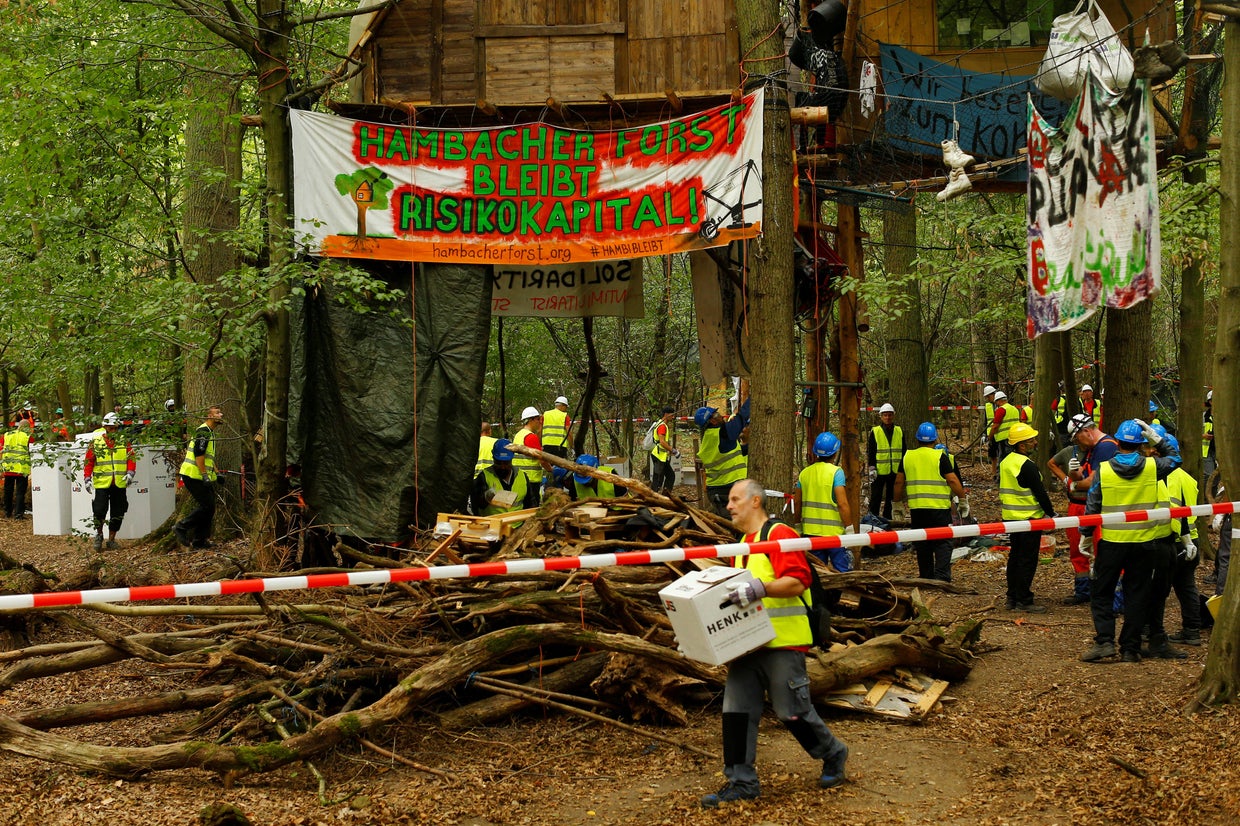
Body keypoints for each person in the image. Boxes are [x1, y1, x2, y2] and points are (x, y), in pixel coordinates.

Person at [700, 478, 849, 807]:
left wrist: (761, 590)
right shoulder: (741, 545)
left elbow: (798, 581)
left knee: (792, 712)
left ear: (755, 501)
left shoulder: (779, 534)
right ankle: (741, 782)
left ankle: (833, 753)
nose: (729, 505)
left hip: (783, 643)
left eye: (735, 499)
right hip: (747, 646)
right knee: (736, 713)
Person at [1079, 419, 1181, 663]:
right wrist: (1158, 439)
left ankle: (1104, 642)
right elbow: (1176, 459)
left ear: (1118, 441)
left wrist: (1085, 533)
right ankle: (1131, 648)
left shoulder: (1104, 470)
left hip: (1113, 542)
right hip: (1144, 543)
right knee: (1137, 594)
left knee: (1102, 592)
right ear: (1141, 443)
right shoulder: (1152, 466)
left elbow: (1093, 503)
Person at [894, 422, 966, 581]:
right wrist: (962, 499)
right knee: (943, 542)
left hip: (917, 509)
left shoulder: (907, 456)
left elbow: (899, 482)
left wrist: (896, 503)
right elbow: (953, 480)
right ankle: (941, 577)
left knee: (922, 542)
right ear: (934, 439)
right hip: (938, 508)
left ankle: (926, 576)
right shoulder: (939, 456)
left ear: (917, 439)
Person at [999, 422, 1055, 613]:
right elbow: (1040, 494)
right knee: (1027, 560)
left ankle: (1012, 597)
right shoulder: (1026, 465)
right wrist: (1053, 514)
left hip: (1011, 518)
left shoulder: (1006, 461)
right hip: (1029, 519)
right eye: (1031, 440)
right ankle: (1024, 599)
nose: (1035, 443)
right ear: (1021, 445)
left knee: (1015, 557)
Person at [1160, 434, 1204, 648]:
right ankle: (1192, 631)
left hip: (1176, 540)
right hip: (1192, 540)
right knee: (1187, 587)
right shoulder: (1187, 477)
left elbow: (1174, 514)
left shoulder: (1166, 477)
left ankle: (1152, 633)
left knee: (1159, 589)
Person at [1047, 415, 1093, 605]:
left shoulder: (1100, 451)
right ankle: (1083, 591)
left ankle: (1107, 590)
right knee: (1077, 548)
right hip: (1076, 506)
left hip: (1097, 507)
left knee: (1101, 549)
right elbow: (1051, 463)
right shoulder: (1068, 452)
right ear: (1075, 436)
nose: (1088, 434)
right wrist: (1065, 480)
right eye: (1083, 431)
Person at [794, 431, 853, 572]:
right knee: (843, 573)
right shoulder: (836, 472)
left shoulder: (804, 474)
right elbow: (842, 504)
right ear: (835, 452)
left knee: (818, 573)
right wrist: (850, 529)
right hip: (834, 535)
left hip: (811, 534)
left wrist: (797, 525)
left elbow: (797, 503)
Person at [83, 412, 136, 552]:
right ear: (105, 427)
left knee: (118, 511)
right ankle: (99, 535)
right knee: (99, 510)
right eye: (110, 427)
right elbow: (89, 462)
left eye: (115, 428)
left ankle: (111, 540)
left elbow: (131, 458)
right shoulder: (96, 442)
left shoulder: (124, 441)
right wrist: (87, 478)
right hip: (102, 483)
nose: (113, 430)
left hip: (119, 483)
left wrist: (130, 473)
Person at [174, 405, 223, 549]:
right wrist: (205, 476)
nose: (221, 415)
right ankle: (181, 527)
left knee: (209, 507)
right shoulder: (203, 432)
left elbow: (209, 457)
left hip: (198, 475)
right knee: (208, 506)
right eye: (217, 412)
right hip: (192, 475)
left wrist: (217, 473)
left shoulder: (210, 432)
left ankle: (200, 540)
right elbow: (199, 455)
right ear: (209, 415)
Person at [694, 399, 750, 517]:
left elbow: (734, 452)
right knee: (737, 526)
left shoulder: (709, 437)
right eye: (717, 415)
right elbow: (742, 418)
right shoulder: (723, 433)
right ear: (713, 421)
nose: (721, 416)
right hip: (728, 489)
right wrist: (753, 398)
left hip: (716, 490)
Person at [471, 438, 539, 516]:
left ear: (511, 459)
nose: (503, 467)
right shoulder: (483, 477)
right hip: (492, 526)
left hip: (518, 525)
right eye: (499, 463)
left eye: (506, 463)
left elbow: (531, 504)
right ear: (493, 458)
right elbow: (476, 506)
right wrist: (487, 497)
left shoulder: (522, 476)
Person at [866, 403, 903, 522]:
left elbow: (904, 450)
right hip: (879, 470)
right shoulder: (875, 431)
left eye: (890, 415)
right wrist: (872, 468)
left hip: (894, 470)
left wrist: (902, 468)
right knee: (876, 496)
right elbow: (871, 451)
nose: (888, 417)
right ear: (881, 416)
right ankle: (873, 518)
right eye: (885, 415)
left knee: (890, 497)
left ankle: (888, 518)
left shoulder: (899, 431)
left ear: (893, 416)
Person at [2, 415, 35, 519]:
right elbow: (32, 452)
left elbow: (2, 448)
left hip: (9, 468)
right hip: (21, 469)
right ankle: (18, 514)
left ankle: (7, 512)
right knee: (20, 492)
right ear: (27, 427)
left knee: (8, 490)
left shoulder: (7, 435)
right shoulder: (28, 437)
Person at [512, 406, 551, 486]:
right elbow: (542, 460)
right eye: (537, 419)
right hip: (531, 479)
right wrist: (550, 469)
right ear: (530, 420)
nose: (539, 422)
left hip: (519, 478)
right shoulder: (531, 437)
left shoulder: (519, 435)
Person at [648, 407, 678, 493]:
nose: (673, 417)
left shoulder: (659, 423)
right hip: (659, 456)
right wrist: (673, 451)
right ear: (666, 414)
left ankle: (664, 496)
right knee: (658, 480)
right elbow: (662, 442)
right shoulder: (662, 426)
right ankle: (655, 499)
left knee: (668, 476)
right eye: (672, 415)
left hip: (660, 456)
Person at [988, 391, 1018, 466]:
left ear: (999, 401)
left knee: (1003, 461)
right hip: (1014, 438)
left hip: (1004, 440)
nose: (996, 404)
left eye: (996, 402)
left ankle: (1000, 477)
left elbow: (995, 426)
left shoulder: (1001, 410)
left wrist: (990, 437)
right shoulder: (1015, 409)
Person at [542, 396, 572, 460]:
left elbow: (539, 430)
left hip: (546, 446)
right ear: (562, 406)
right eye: (566, 407)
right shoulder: (565, 416)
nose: (566, 409)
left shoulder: (545, 414)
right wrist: (572, 446)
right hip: (560, 447)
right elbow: (569, 433)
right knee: (560, 468)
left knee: (548, 467)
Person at [981, 385, 999, 474]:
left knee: (1002, 454)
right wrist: (984, 434)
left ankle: (1000, 471)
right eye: (987, 397)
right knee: (992, 454)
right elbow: (985, 421)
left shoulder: (1000, 404)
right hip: (991, 435)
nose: (988, 398)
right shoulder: (987, 406)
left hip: (1000, 433)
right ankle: (994, 472)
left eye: (988, 396)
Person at [1202, 389, 1215, 487]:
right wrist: (1203, 436)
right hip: (1207, 452)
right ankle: (1207, 500)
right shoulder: (1203, 417)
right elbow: (1194, 434)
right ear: (1210, 401)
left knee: (1218, 477)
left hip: (1220, 451)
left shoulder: (1225, 416)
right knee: (1210, 476)